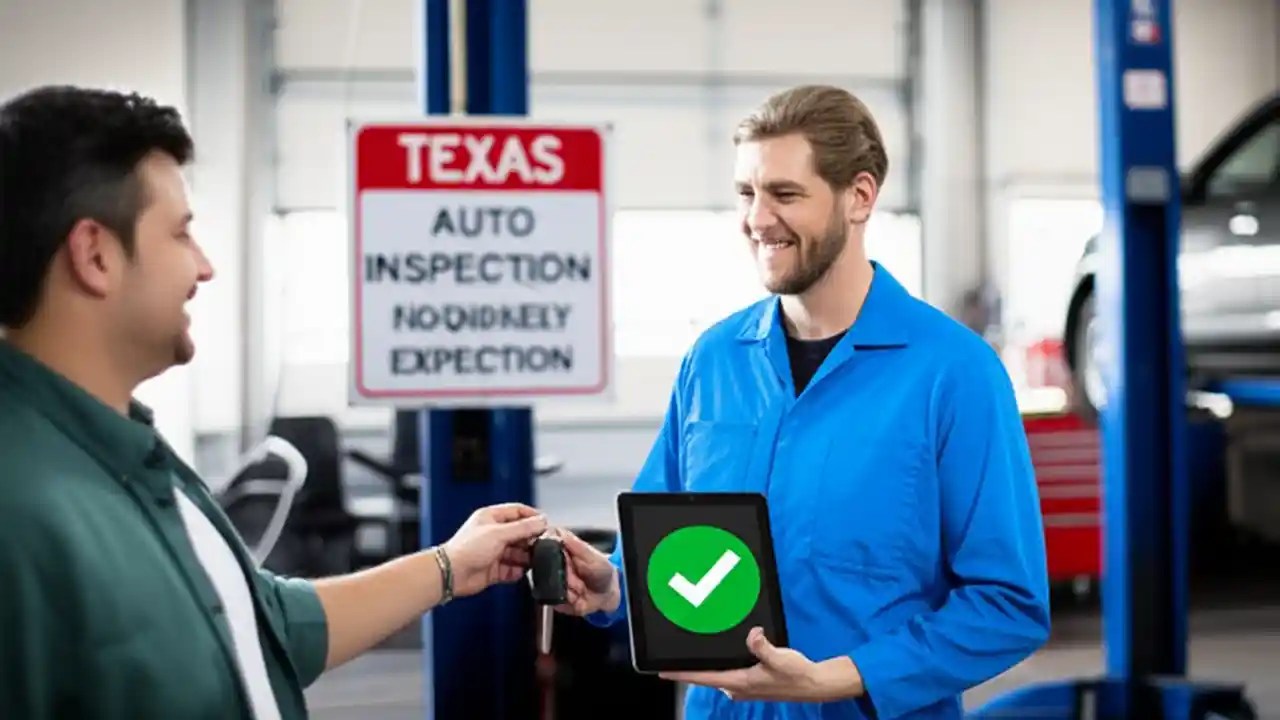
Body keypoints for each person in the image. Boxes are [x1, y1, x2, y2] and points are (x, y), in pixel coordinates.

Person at [0, 85, 547, 719]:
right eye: (181, 234)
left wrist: (451, 565)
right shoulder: (19, 511)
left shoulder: (134, 460)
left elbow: (260, 628)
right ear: (95, 255)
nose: (203, 268)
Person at [552, 85, 1051, 719]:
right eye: (747, 193)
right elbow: (670, 546)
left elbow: (1008, 605)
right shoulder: (714, 360)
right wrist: (614, 585)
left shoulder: (952, 373)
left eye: (785, 194)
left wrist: (838, 678)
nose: (758, 219)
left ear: (860, 198)